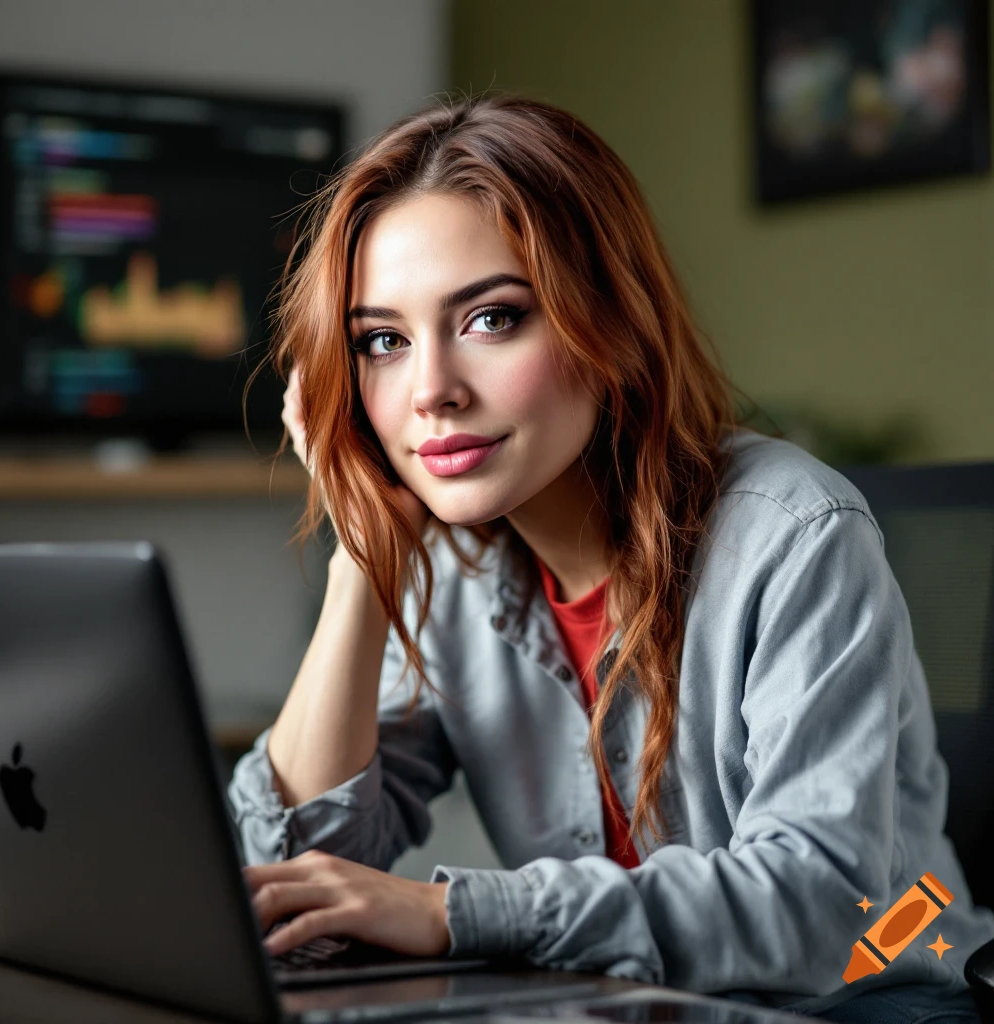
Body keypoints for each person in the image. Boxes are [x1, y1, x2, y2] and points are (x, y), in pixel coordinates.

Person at [227, 94, 994, 1022]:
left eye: (491, 319)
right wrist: (360, 552)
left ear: (611, 320)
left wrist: (453, 914)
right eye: (383, 341)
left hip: (875, 998)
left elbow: (824, 903)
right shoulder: (453, 575)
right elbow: (299, 878)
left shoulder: (798, 534)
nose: (430, 391)